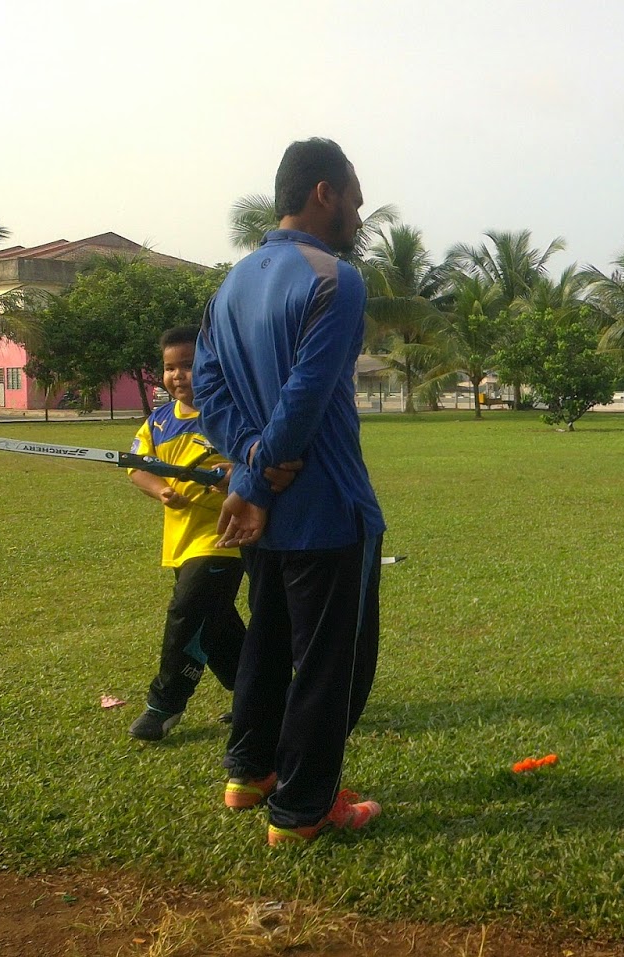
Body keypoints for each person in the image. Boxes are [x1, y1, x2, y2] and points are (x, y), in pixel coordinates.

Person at [194, 137, 386, 846]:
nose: (360, 214)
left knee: (268, 642)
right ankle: (305, 806)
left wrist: (248, 466)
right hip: (328, 507)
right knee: (332, 663)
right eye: (356, 199)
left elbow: (208, 388)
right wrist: (259, 471)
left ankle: (249, 772)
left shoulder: (229, 285)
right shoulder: (336, 279)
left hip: (263, 514)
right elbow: (305, 397)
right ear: (324, 193)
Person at [124, 326, 243, 743]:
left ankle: (165, 704)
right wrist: (162, 490)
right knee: (220, 625)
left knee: (188, 612)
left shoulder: (231, 414)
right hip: (180, 542)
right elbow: (137, 467)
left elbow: (256, 461)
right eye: (171, 367)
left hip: (225, 539)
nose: (179, 376)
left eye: (189, 366)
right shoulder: (157, 422)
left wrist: (234, 476)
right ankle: (260, 696)